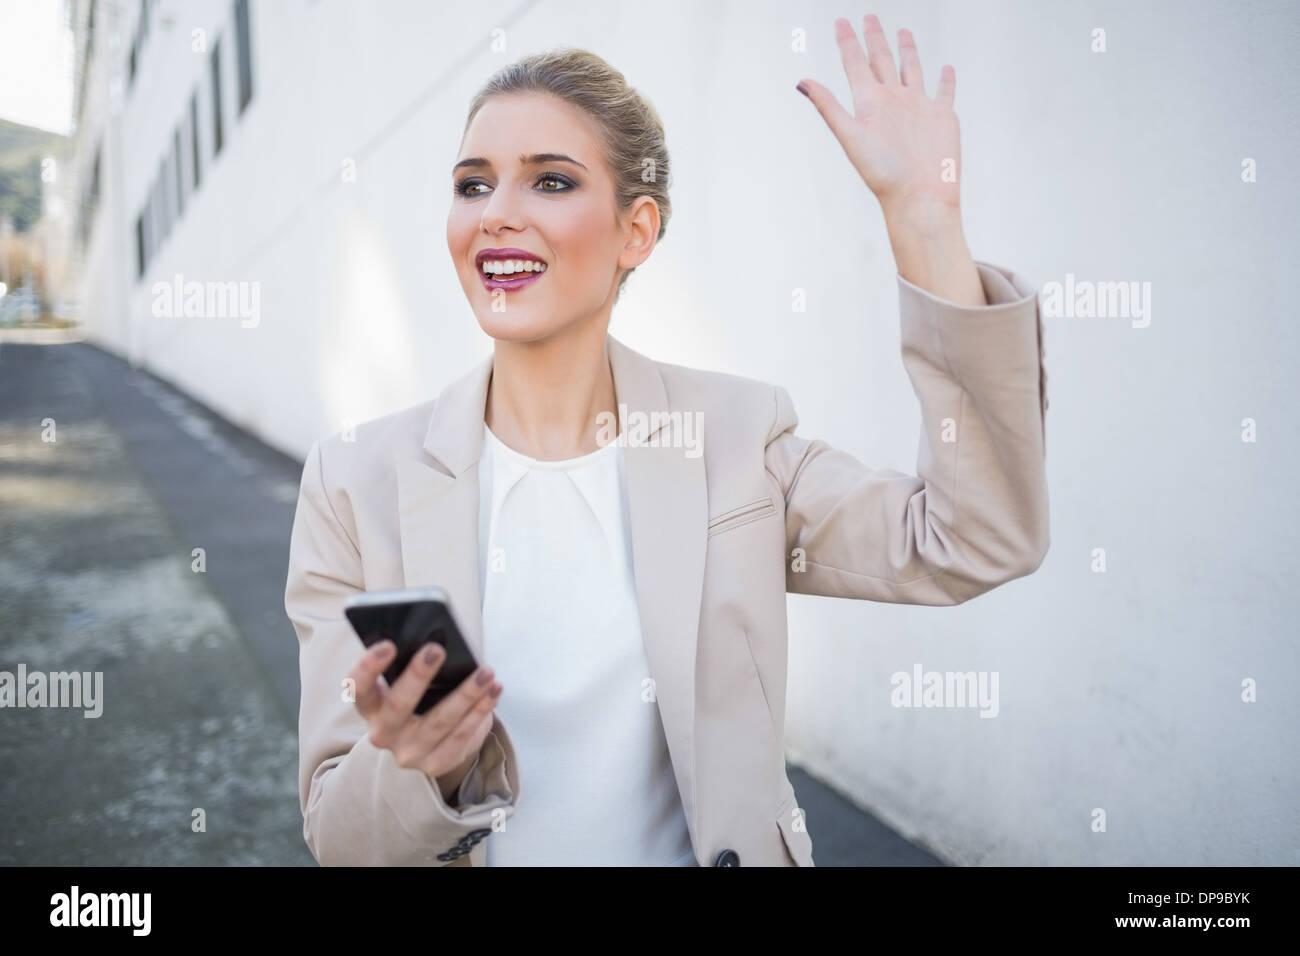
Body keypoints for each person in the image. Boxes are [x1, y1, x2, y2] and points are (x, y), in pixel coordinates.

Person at [285, 15, 1049, 867]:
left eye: (550, 182)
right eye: (473, 184)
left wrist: (926, 224)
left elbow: (973, 538)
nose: (497, 215)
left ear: (636, 232)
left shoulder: (735, 440)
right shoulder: (353, 482)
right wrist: (424, 769)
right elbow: (338, 837)